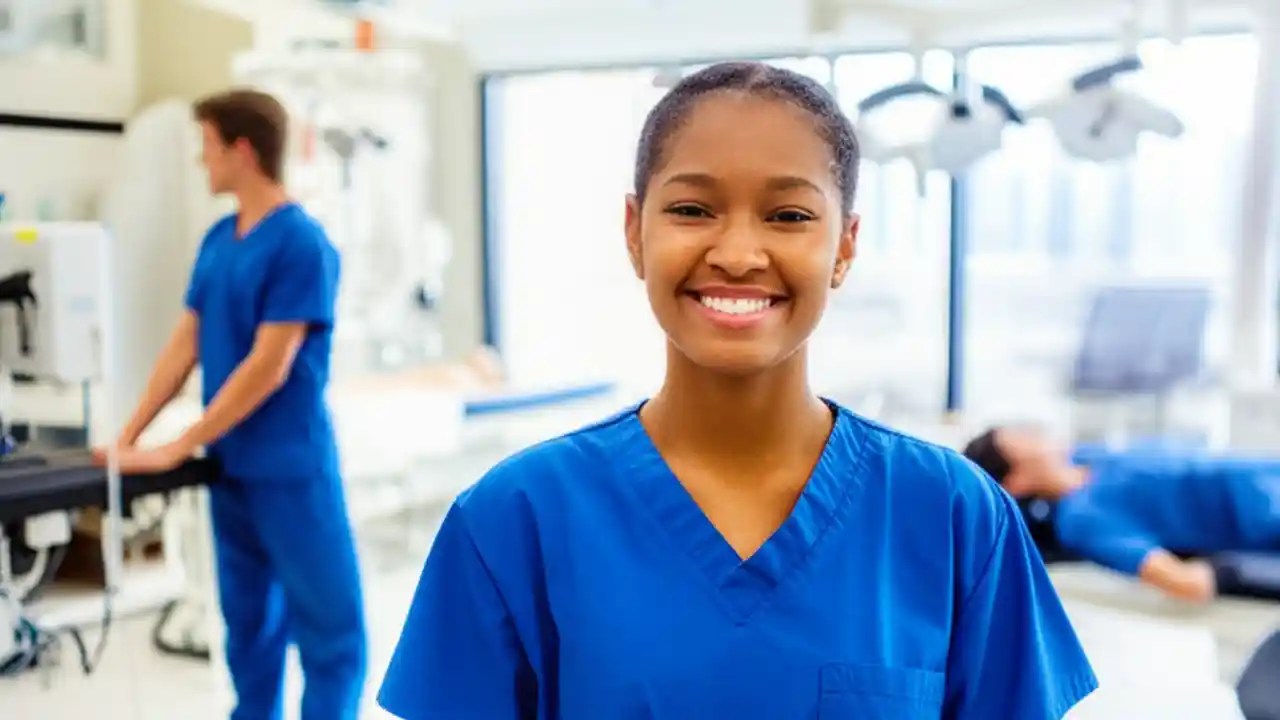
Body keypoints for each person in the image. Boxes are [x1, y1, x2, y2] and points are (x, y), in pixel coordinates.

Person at [378, 62, 1096, 719]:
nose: (739, 254)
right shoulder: (518, 518)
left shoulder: (953, 517)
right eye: (692, 210)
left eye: (788, 216)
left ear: (844, 246)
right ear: (635, 231)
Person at [94, 89, 367, 719]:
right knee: (249, 637)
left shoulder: (301, 243)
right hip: (231, 472)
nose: (201, 162)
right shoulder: (219, 238)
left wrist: (176, 445)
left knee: (332, 643)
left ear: (242, 152)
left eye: (208, 147)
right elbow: (184, 341)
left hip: (290, 472)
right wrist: (131, 437)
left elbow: (268, 368)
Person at [963, 426, 1280, 603]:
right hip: (1263, 519)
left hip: (1265, 472)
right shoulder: (1082, 520)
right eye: (1024, 441)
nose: (1038, 436)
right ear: (1015, 482)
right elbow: (1185, 583)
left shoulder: (1088, 455)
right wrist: (1233, 574)